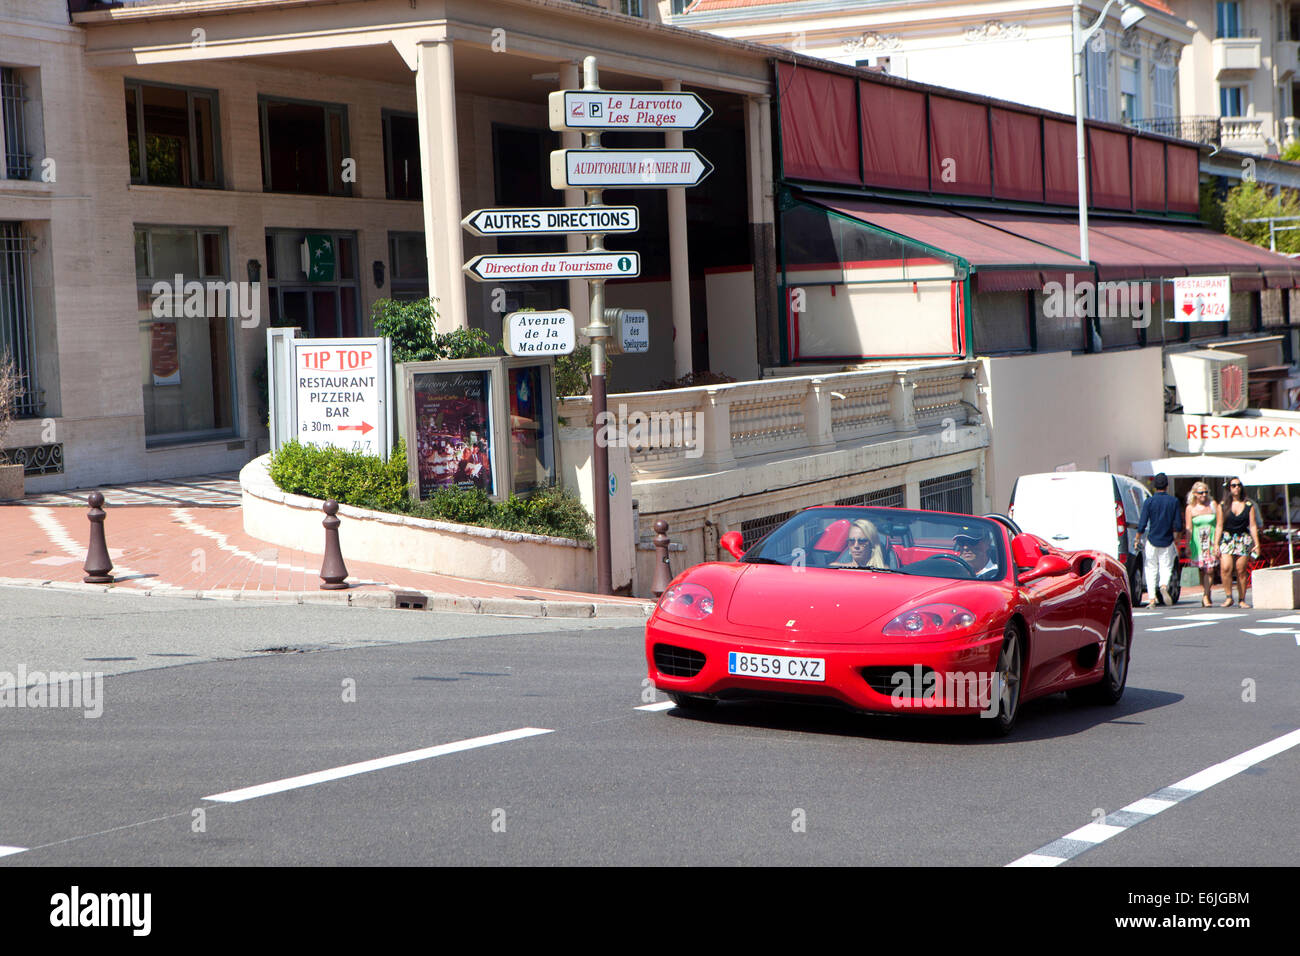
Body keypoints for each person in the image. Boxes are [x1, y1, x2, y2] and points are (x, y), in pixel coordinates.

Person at [1136, 472, 1184, 608]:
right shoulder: (1173, 501)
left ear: (1155, 486)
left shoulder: (1149, 502)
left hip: (1151, 539)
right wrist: (1178, 539)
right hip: (1167, 540)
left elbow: (1142, 523)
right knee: (1166, 566)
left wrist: (1137, 538)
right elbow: (1178, 525)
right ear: (1167, 486)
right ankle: (1163, 585)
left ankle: (1152, 599)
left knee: (1150, 568)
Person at [1214, 476, 1261, 608]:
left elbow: (1252, 525)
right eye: (1233, 485)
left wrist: (1256, 543)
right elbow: (1219, 525)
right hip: (1227, 538)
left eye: (1239, 485)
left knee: (1241, 570)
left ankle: (1241, 598)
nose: (1237, 488)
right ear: (1229, 488)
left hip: (1243, 538)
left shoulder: (1248, 505)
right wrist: (1216, 544)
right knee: (1226, 567)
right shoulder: (1222, 506)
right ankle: (1229, 596)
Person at [1185, 482, 1219, 608]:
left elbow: (1219, 523)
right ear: (1194, 494)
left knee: (1209, 569)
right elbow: (1188, 527)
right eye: (1200, 493)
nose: (1203, 495)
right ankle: (1206, 591)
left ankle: (1205, 595)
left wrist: (1217, 542)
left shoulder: (1212, 505)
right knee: (1201, 569)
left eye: (1205, 492)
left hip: (1210, 541)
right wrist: (1188, 545)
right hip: (1197, 542)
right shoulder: (1190, 508)